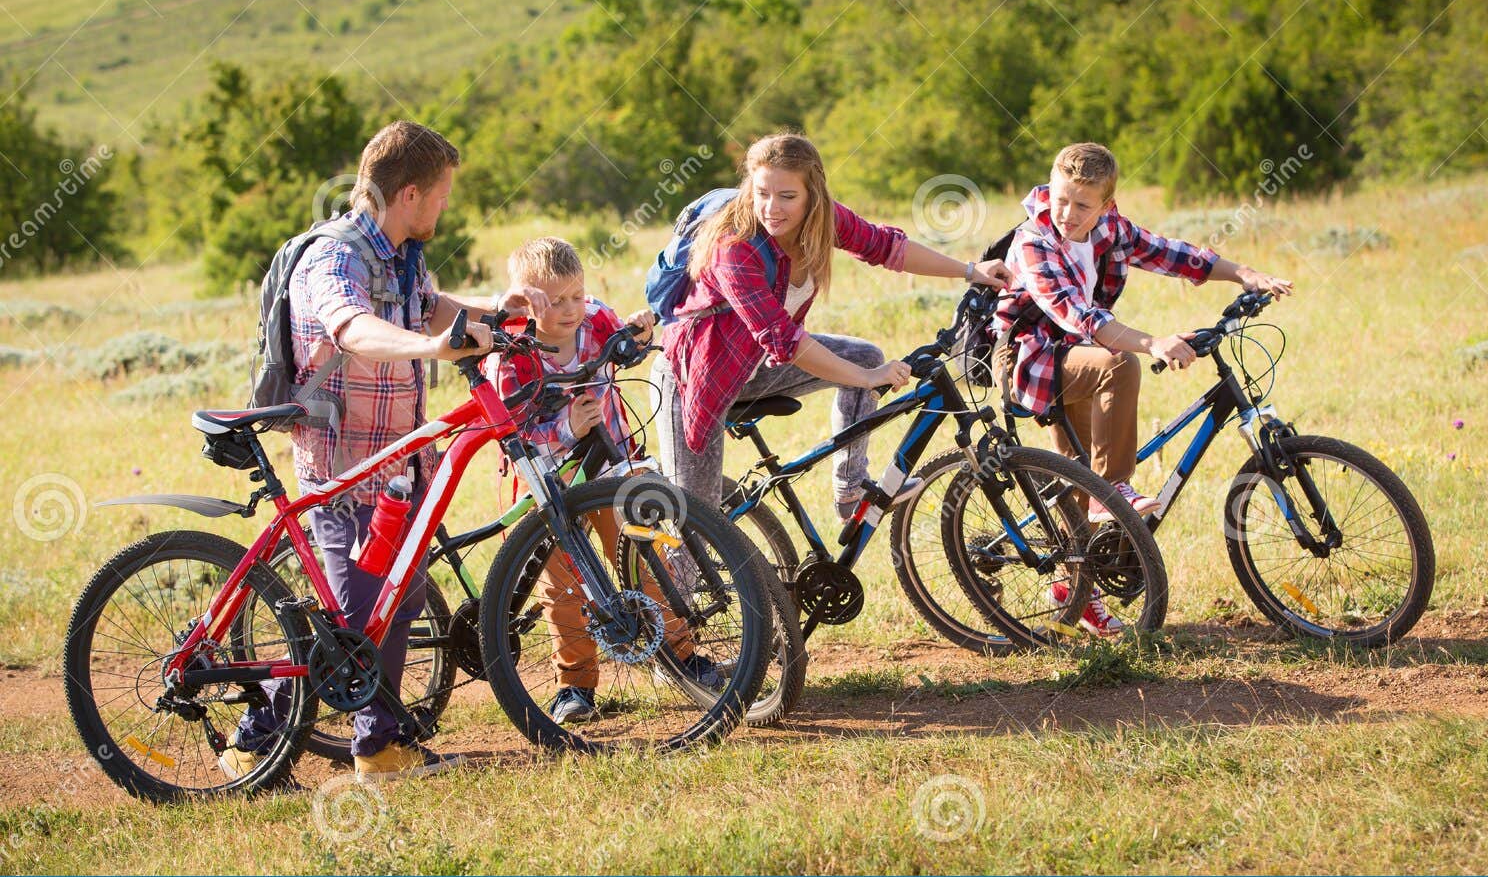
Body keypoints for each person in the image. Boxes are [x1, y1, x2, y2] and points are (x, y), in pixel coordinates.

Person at [224, 121, 544, 783]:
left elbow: (426, 308)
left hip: (396, 459)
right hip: (343, 466)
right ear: (409, 193)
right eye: (442, 195)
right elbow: (352, 326)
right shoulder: (335, 256)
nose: (446, 206)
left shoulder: (400, 252)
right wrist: (435, 348)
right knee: (353, 621)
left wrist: (492, 311)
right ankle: (275, 742)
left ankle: (358, 743)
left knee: (390, 602)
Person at [994, 141, 1293, 635]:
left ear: (1106, 206)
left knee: (1075, 472)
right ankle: (1109, 492)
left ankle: (1073, 591)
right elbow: (1082, 319)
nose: (1067, 213)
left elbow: (1173, 255)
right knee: (1120, 365)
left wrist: (1244, 274)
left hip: (1073, 355)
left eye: (1082, 205)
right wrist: (1153, 343)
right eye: (1061, 198)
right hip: (1031, 358)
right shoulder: (1034, 242)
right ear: (1050, 187)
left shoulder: (1111, 228)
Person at [650, 132, 1011, 518]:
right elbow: (784, 339)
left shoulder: (823, 220)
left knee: (865, 356)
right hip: (695, 379)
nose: (771, 208)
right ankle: (660, 569)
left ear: (812, 195)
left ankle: (850, 493)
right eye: (761, 193)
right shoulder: (733, 245)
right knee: (697, 524)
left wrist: (971, 271)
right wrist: (867, 377)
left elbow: (888, 248)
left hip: (754, 367)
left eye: (787, 196)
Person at [490, 238, 722, 725]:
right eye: (555, 301)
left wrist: (636, 333)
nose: (571, 308)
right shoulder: (510, 351)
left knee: (648, 553)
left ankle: (682, 655)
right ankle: (574, 685)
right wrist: (565, 428)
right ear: (527, 302)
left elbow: (625, 347)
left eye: (577, 294)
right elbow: (511, 428)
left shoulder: (594, 319)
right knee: (563, 588)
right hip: (546, 482)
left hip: (610, 465)